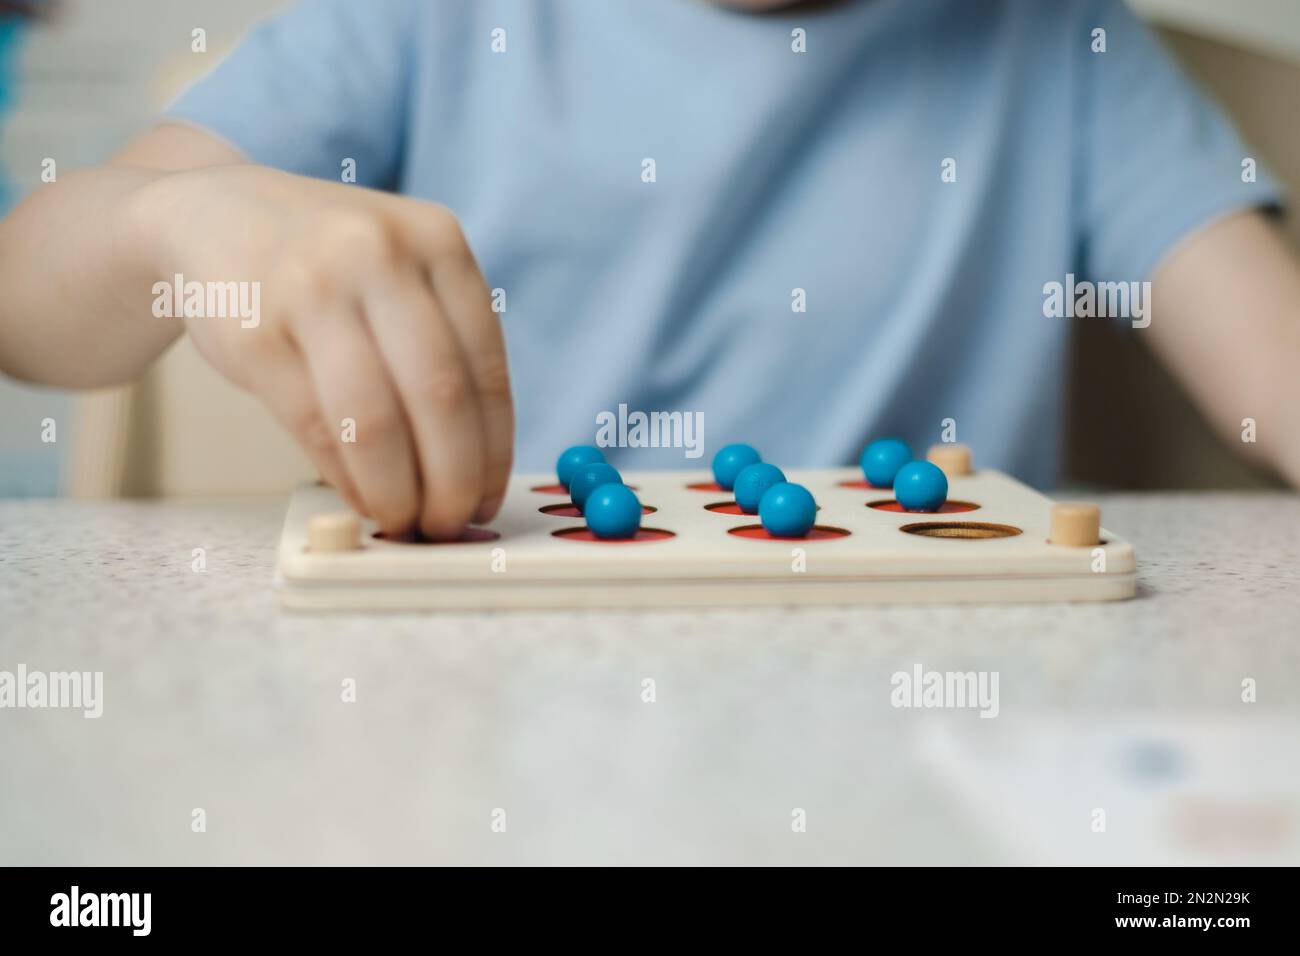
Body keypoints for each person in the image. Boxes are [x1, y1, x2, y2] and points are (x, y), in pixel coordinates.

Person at [0, 0, 1296, 539]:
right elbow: (25, 302)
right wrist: (178, 231)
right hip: (497, 713)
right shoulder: (427, 20)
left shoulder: (1054, 35)